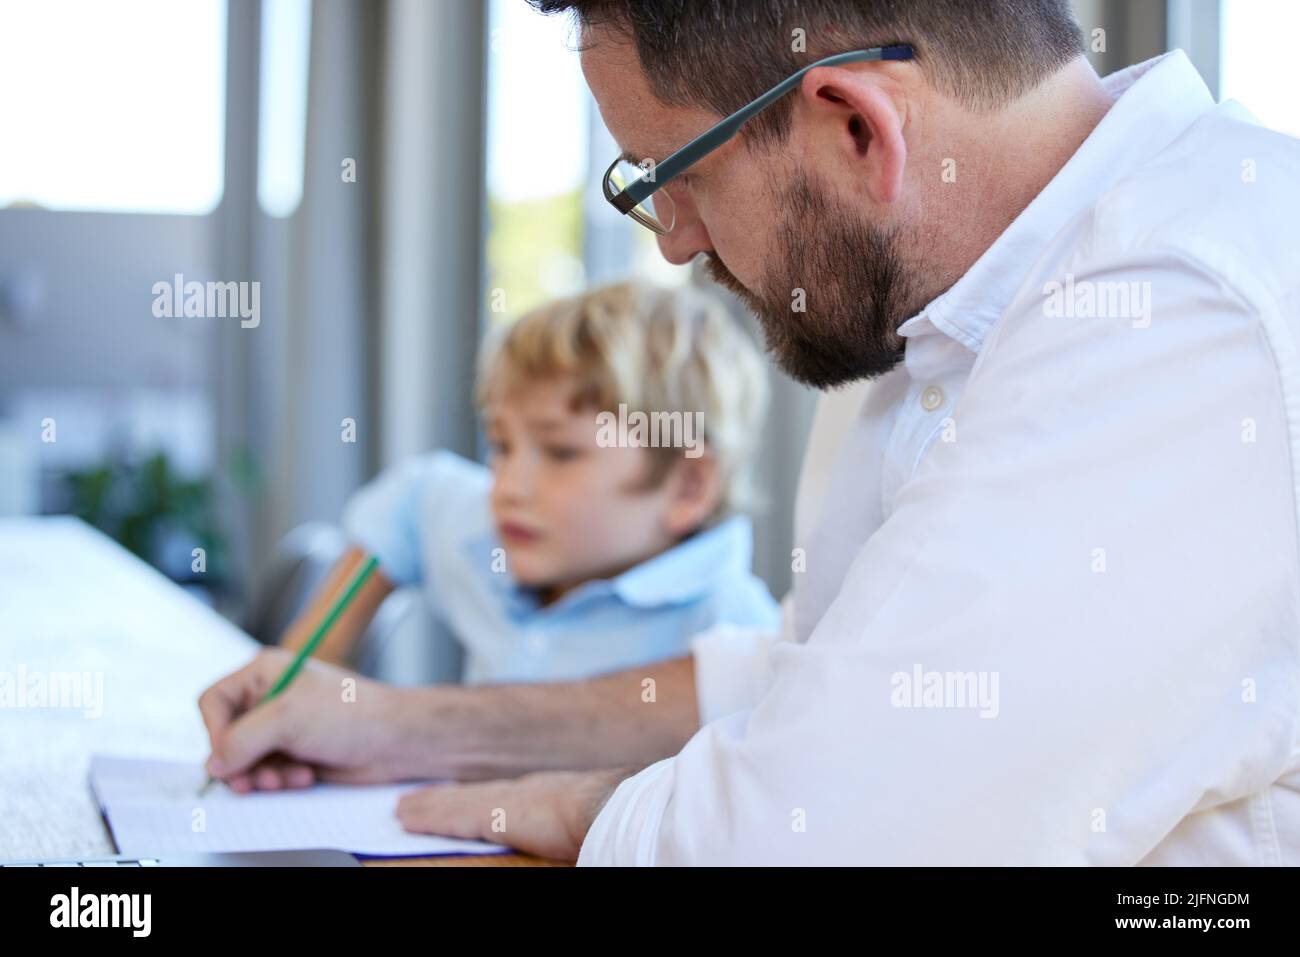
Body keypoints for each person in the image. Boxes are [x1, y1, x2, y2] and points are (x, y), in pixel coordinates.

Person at [209, 0, 1300, 866]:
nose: (674, 243)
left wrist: (568, 809)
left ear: (856, 127)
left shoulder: (1185, 310)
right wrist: (405, 728)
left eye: (674, 178)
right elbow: (808, 682)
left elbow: (821, 834)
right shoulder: (938, 309)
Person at [199, 279, 778, 793]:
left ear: (687, 487)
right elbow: (415, 498)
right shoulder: (487, 528)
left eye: (561, 452)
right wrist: (304, 670)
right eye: (501, 445)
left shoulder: (737, 629)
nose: (508, 485)